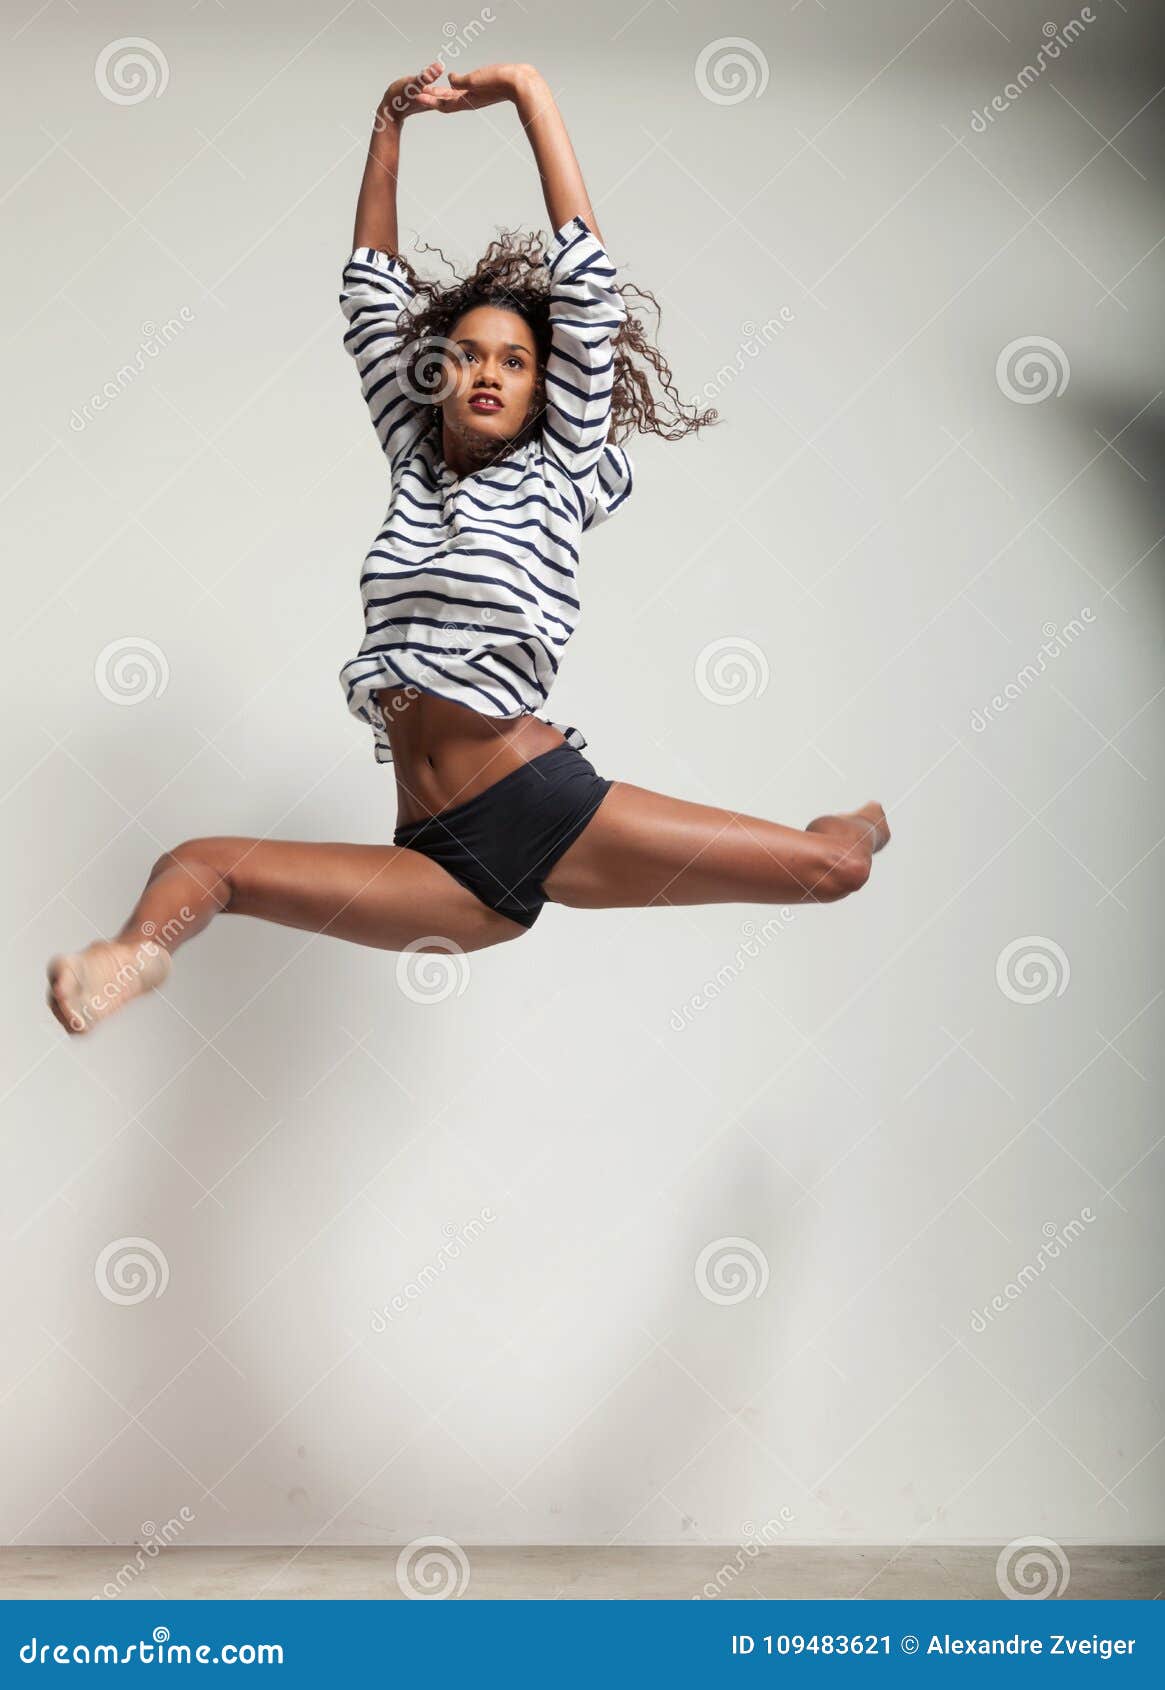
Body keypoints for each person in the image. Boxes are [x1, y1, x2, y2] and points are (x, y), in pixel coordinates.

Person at [46, 61, 889, 1036]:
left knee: (835, 871)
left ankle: (860, 821)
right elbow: (369, 295)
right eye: (473, 353)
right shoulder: (413, 463)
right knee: (196, 866)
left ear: (542, 389)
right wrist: (388, 124)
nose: (490, 370)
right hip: (436, 859)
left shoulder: (558, 466)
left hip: (537, 804)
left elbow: (589, 289)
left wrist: (527, 94)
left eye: (517, 360)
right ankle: (124, 966)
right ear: (437, 370)